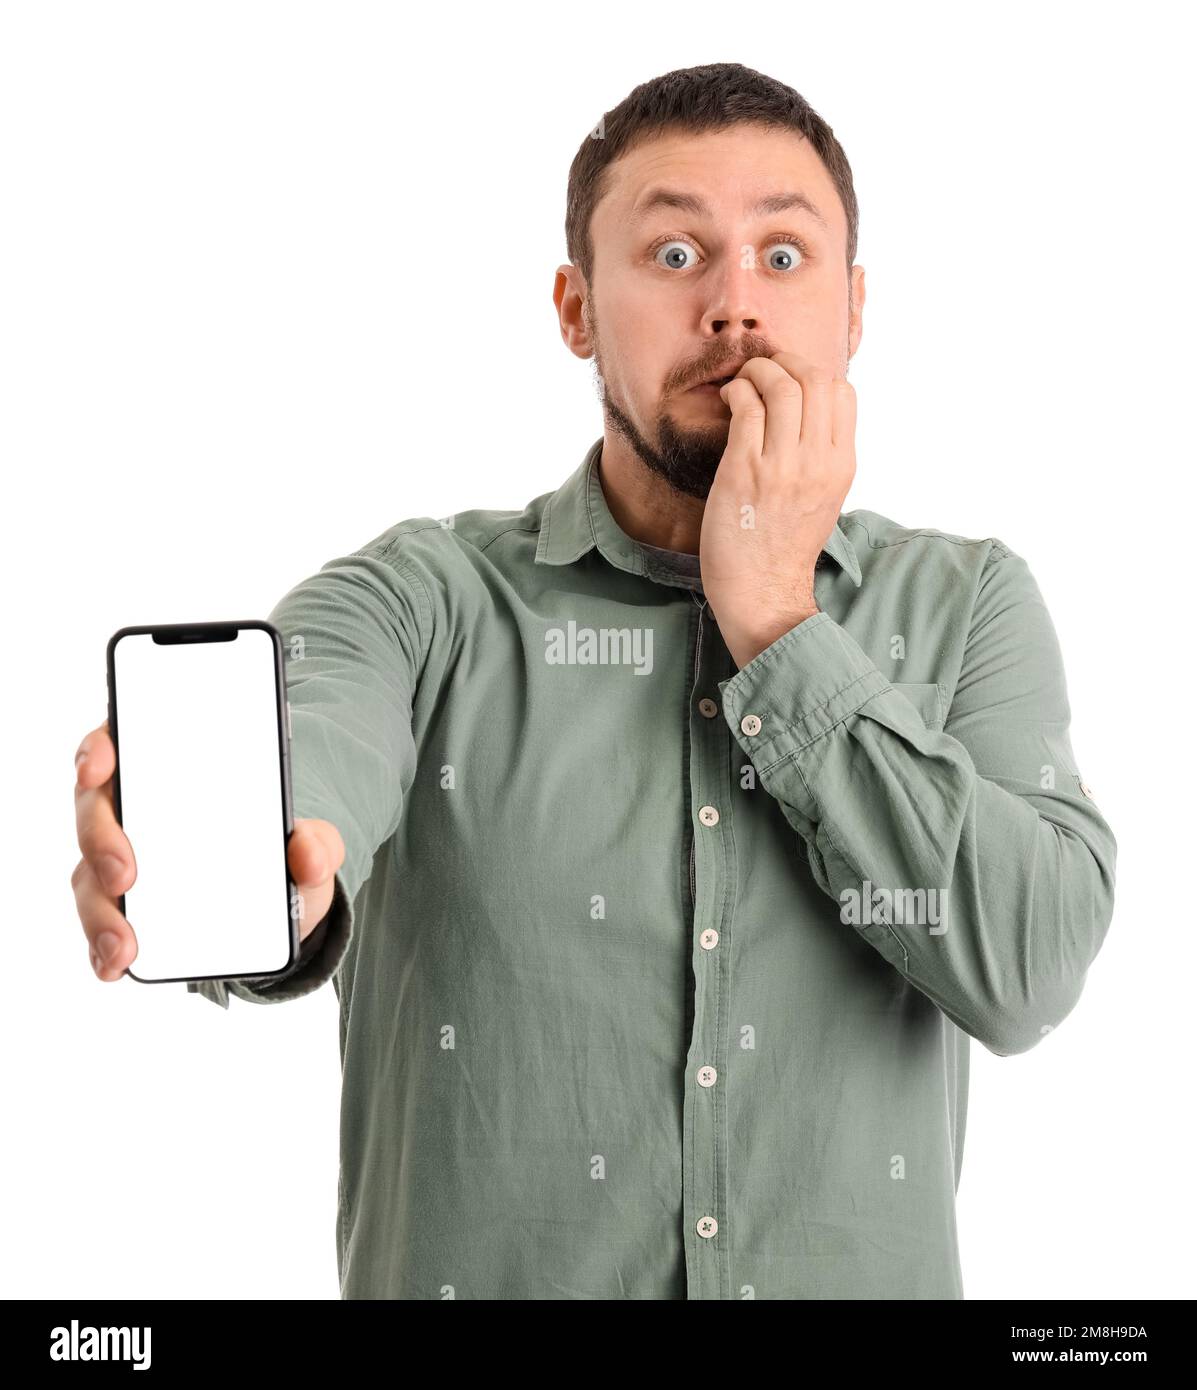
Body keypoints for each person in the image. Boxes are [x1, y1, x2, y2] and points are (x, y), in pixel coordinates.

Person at [70, 62, 1117, 1300]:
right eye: (674, 255)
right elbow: (315, 750)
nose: (735, 307)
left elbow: (1033, 965)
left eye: (785, 257)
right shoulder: (424, 598)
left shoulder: (969, 606)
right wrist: (272, 866)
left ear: (854, 309)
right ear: (576, 308)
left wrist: (777, 618)